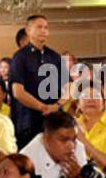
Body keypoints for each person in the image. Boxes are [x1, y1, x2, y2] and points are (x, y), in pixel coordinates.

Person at [10, 14, 65, 149]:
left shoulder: (55, 56)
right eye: (39, 27)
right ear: (28, 31)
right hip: (29, 121)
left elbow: (69, 86)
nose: (43, 30)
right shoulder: (20, 57)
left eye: (46, 27)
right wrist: (43, 107)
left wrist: (58, 105)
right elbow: (18, 92)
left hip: (55, 119)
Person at [75, 87, 106, 167]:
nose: (91, 100)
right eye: (86, 96)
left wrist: (84, 142)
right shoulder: (72, 125)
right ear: (78, 104)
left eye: (96, 96)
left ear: (103, 103)